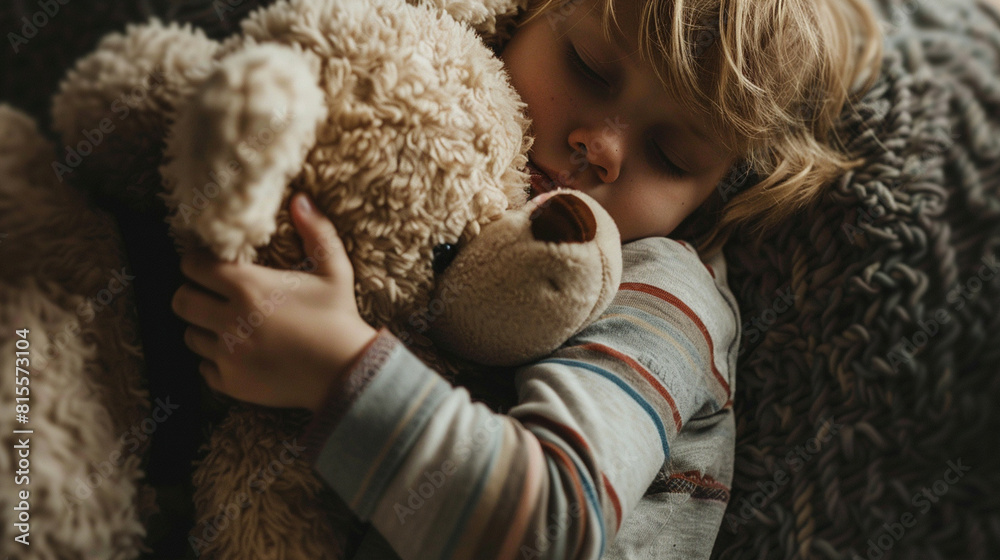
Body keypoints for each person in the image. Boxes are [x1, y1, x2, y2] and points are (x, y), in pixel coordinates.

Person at [170, 0, 883, 557]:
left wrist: (332, 372)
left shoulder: (662, 294)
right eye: (590, 67)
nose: (599, 147)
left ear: (715, 198)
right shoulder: (444, 184)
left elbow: (551, 527)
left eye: (671, 154)